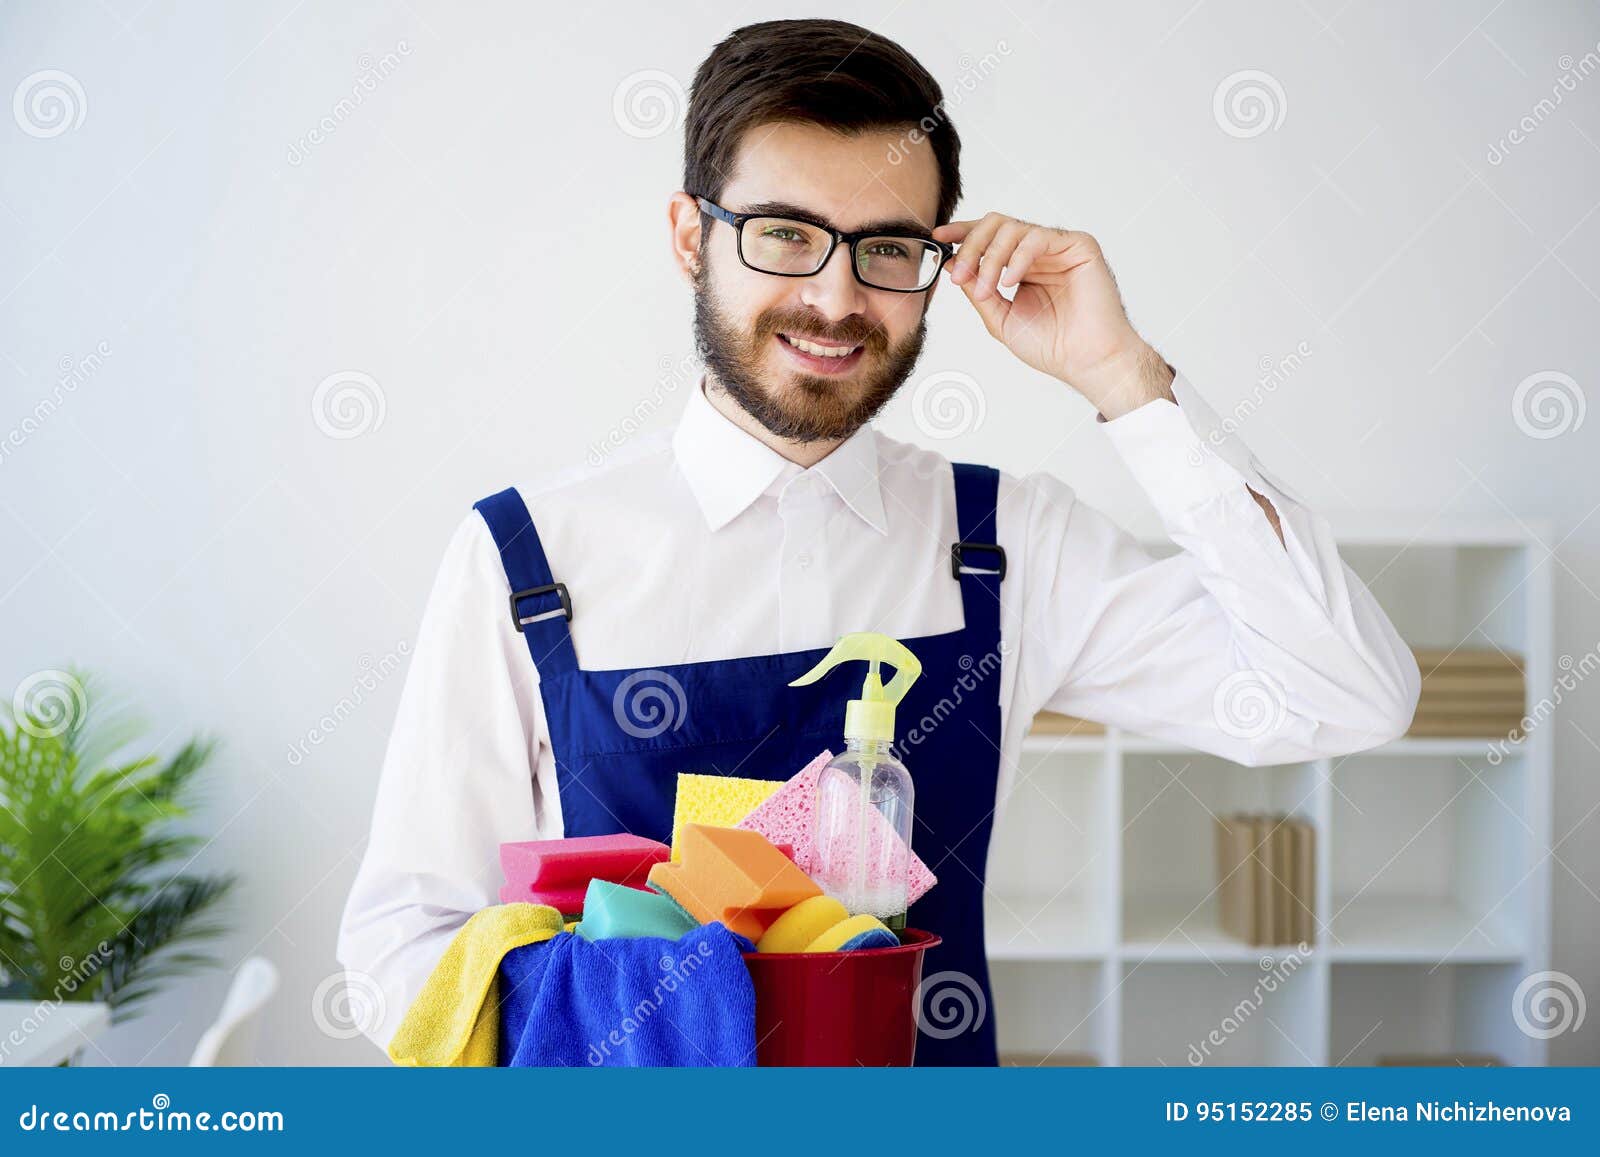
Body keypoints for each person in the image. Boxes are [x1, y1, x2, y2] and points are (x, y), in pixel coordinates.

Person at [337, 17, 1421, 1066]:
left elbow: (1344, 694)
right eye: (786, 234)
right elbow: (400, 952)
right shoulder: (531, 556)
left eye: (887, 248)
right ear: (688, 236)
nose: (834, 296)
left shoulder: (1002, 542)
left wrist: (1121, 376)